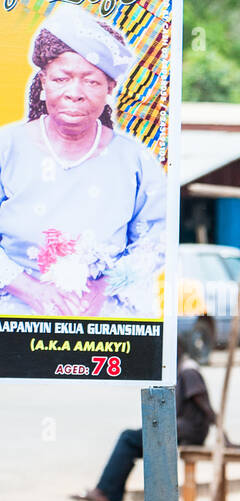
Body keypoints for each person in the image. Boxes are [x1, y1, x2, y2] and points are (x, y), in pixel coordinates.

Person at [0, 5, 166, 318]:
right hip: (11, 318)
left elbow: (158, 238)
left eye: (90, 82)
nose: (74, 93)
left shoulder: (134, 159)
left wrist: (106, 287)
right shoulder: (6, 146)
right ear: (44, 82)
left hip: (104, 322)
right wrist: (28, 288)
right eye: (62, 78)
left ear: (110, 89)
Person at [73, 342, 231, 501]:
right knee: (132, 444)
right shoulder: (179, 371)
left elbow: (206, 407)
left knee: (128, 438)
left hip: (188, 431)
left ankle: (107, 492)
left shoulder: (188, 371)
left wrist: (225, 437)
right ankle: (110, 494)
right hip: (180, 429)